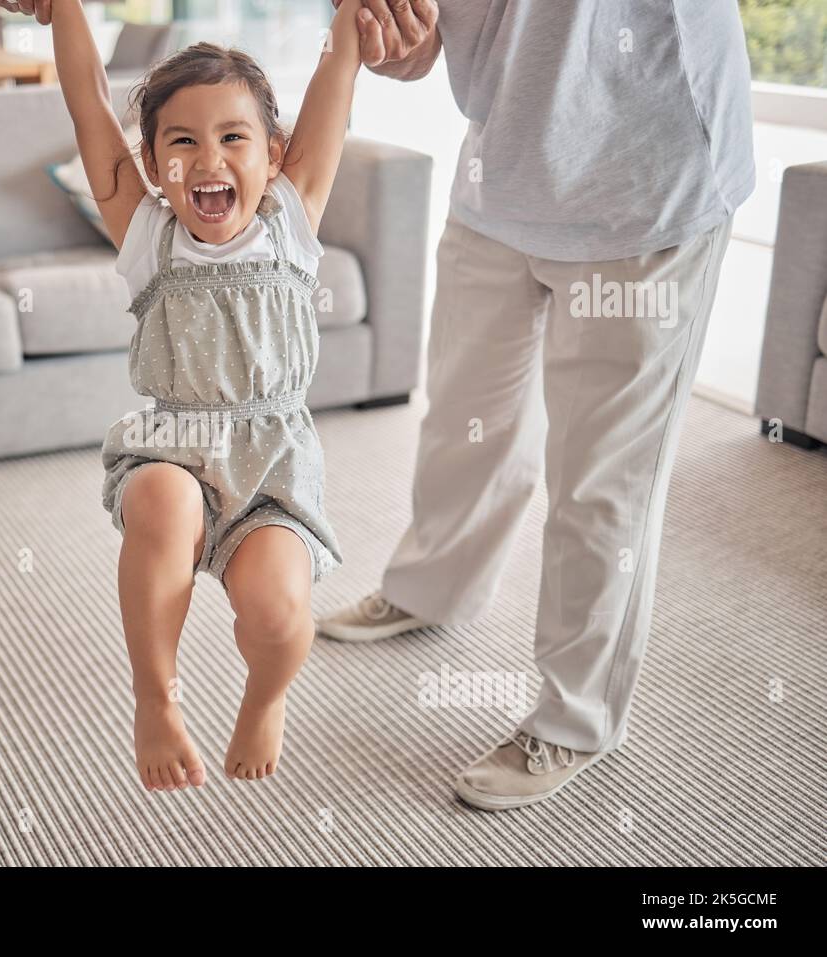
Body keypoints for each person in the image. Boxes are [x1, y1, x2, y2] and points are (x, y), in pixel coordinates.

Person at [316, 0, 754, 810]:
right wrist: (391, 31)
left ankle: (576, 716)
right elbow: (418, 45)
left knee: (600, 483)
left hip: (646, 179)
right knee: (463, 417)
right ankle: (430, 586)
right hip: (503, 168)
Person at [28, 0, 376, 789]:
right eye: (181, 142)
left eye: (233, 138)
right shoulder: (147, 233)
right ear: (152, 164)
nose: (208, 159)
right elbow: (87, 101)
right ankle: (158, 700)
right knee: (158, 503)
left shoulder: (293, 216)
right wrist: (67, 12)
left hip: (274, 467)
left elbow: (338, 79)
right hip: (173, 445)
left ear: (275, 156)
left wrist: (355, 21)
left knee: (282, 620)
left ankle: (264, 698)